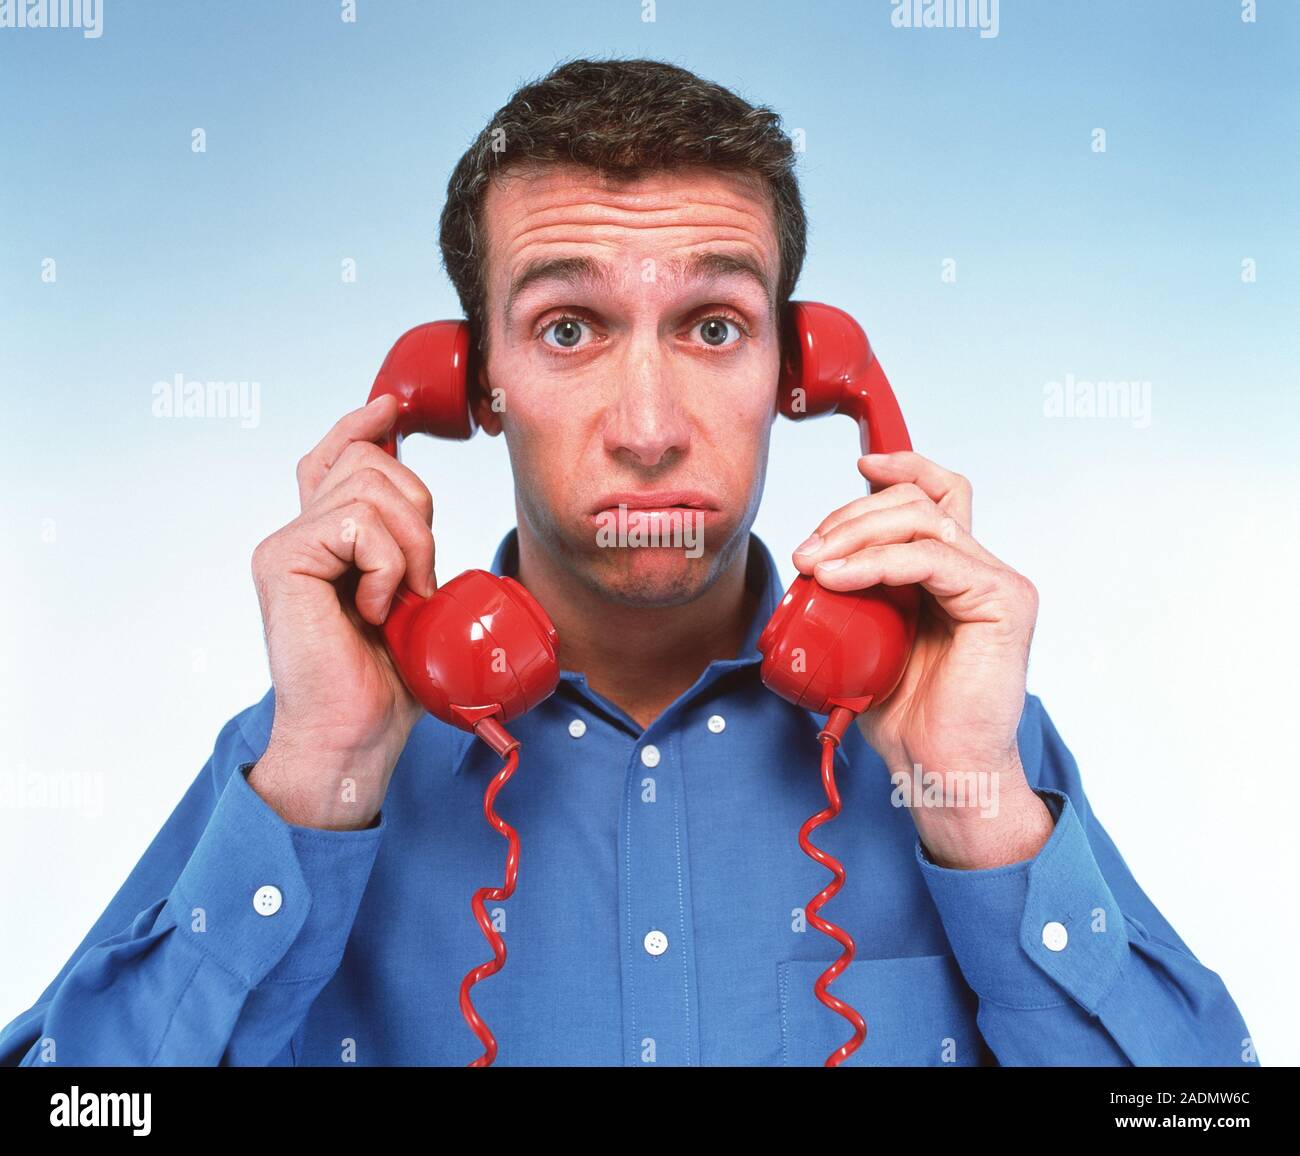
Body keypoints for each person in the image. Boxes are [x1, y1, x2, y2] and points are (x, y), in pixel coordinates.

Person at [0, 57, 1256, 1067]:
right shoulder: (305, 758)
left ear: (801, 375)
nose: (649, 427)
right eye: (567, 327)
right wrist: (318, 778)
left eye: (714, 326)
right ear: (470, 386)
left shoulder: (961, 745)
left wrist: (977, 807)